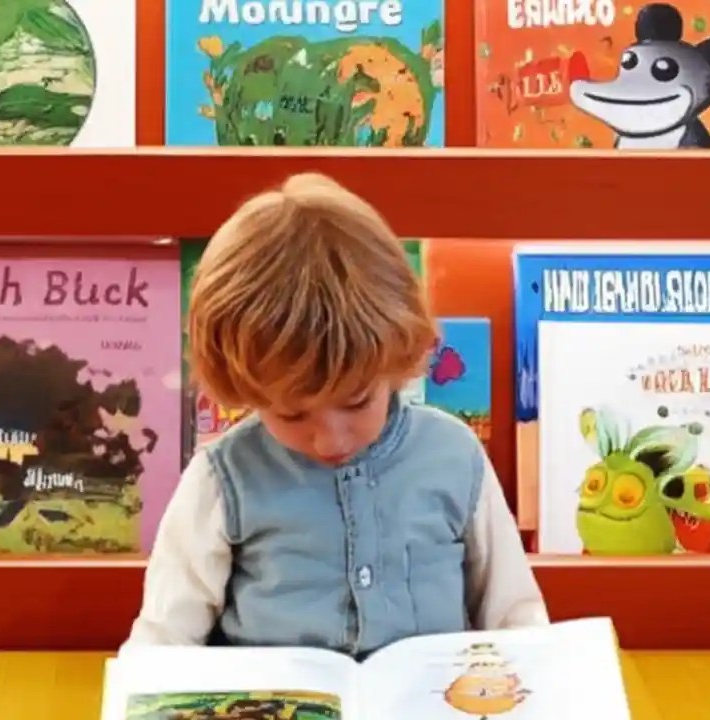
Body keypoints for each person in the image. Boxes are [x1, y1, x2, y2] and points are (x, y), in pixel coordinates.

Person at [124, 172, 547, 658]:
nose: (330, 440)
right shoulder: (224, 478)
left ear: (398, 358)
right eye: (291, 414)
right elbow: (164, 640)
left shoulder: (455, 456)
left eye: (356, 401)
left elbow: (517, 619)